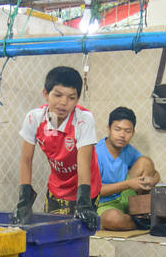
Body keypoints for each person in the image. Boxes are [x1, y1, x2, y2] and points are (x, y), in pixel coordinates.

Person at [11, 66, 101, 231]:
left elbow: (83, 163)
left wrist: (83, 204)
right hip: (57, 188)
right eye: (57, 95)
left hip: (86, 188)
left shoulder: (84, 119)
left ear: (77, 99)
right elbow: (26, 160)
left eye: (71, 97)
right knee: (53, 234)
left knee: (78, 235)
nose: (63, 103)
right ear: (46, 94)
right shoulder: (34, 118)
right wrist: (24, 201)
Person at [93, 107, 160, 231]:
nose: (122, 135)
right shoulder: (96, 153)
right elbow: (95, 190)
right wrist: (128, 183)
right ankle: (143, 222)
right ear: (108, 128)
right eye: (117, 129)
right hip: (103, 204)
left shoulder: (128, 149)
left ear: (133, 132)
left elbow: (155, 173)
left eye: (127, 131)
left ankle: (141, 214)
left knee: (146, 162)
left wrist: (154, 180)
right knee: (113, 219)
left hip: (125, 198)